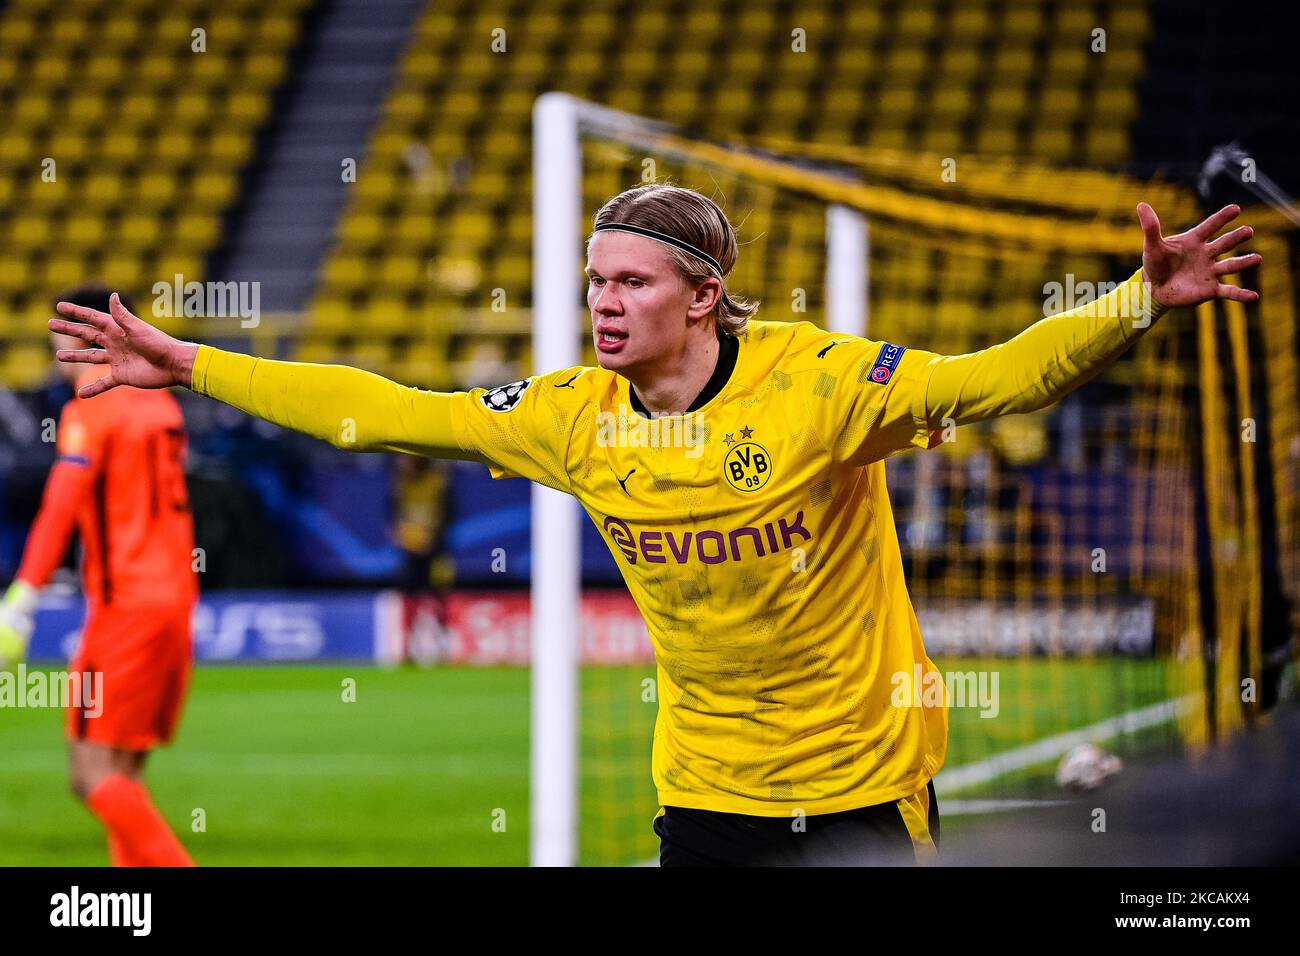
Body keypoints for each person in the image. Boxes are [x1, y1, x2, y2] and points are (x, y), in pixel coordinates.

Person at [46, 185, 1260, 866]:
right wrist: (191, 362)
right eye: (592, 282)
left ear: (704, 296)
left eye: (629, 281)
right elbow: (386, 413)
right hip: (704, 798)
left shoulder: (823, 385)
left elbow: (992, 381)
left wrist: (1131, 304)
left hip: (863, 788)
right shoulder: (571, 417)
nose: (601, 304)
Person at [2, 286, 199, 867]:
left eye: (61, 332)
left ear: (83, 335)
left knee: (89, 775)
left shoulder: (91, 404)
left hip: (125, 609)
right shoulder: (162, 402)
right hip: (175, 603)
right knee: (125, 774)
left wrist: (23, 596)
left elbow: (62, 505)